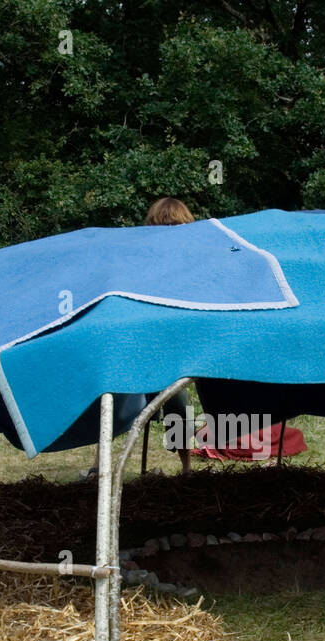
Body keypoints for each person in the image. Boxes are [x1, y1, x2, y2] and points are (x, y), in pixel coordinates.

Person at [145, 197, 195, 473]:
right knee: (115, 399)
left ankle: (187, 467)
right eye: (163, 226)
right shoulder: (141, 260)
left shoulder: (190, 263)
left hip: (174, 349)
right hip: (143, 345)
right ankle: (98, 467)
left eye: (174, 226)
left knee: (177, 403)